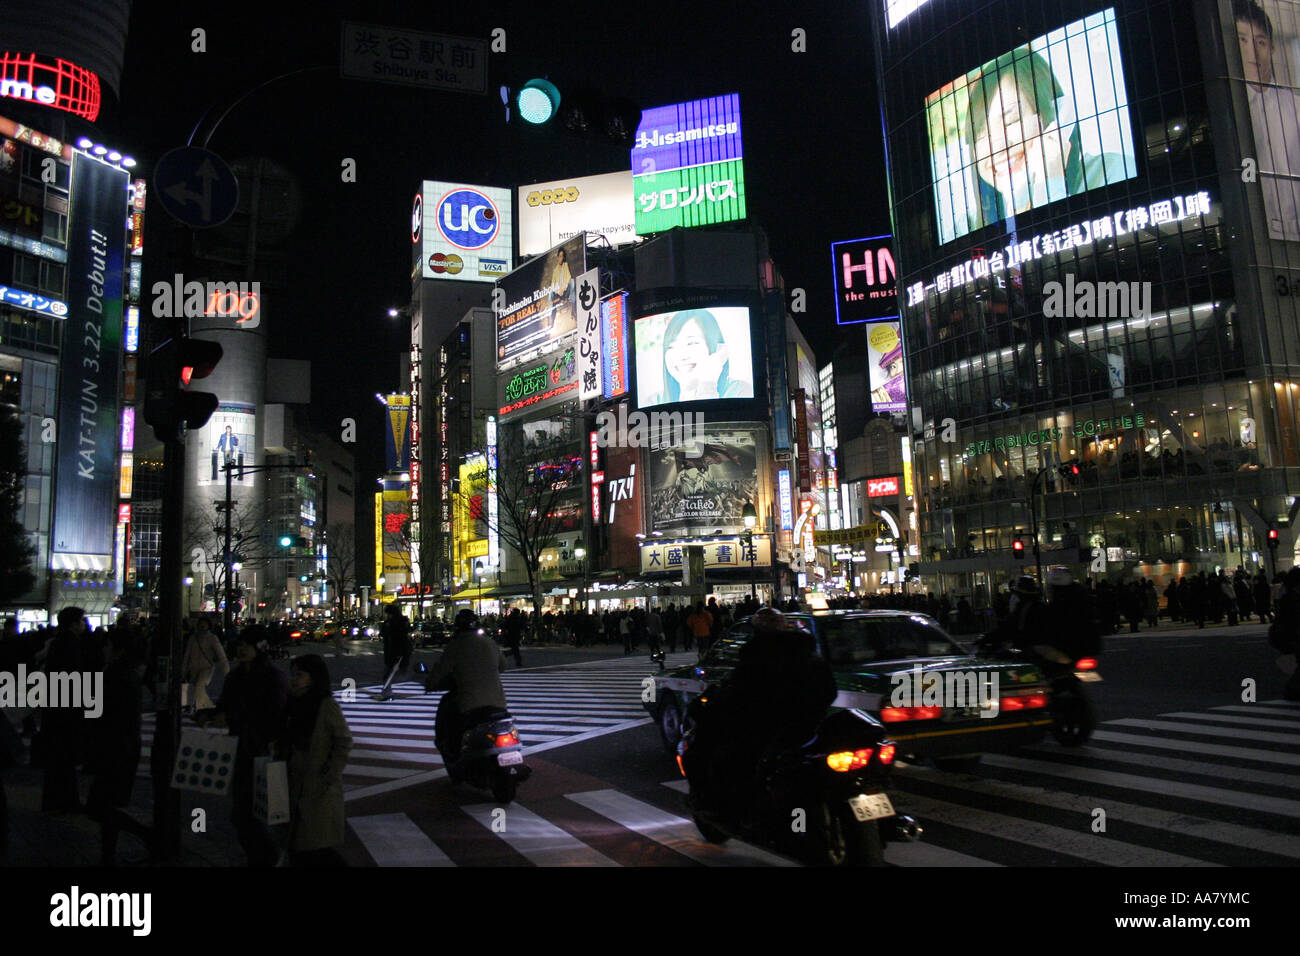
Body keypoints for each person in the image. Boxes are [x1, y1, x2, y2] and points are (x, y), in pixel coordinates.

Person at [966, 46, 1129, 226]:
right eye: (980, 134)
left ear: (1054, 114)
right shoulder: (967, 225)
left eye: (1011, 121)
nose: (996, 148)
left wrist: (1050, 184)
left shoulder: (1114, 172)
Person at [199, 626, 288, 867]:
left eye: (247, 645)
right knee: (243, 812)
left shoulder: (271, 676)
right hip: (239, 747)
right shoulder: (236, 677)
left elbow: (275, 716)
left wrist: (233, 718)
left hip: (260, 750)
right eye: (240, 644)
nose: (241, 649)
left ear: (260, 647)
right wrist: (207, 716)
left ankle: (266, 856)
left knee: (250, 811)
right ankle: (261, 856)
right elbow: (224, 705)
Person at [1236, 0, 1300, 241]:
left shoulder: (1296, 107)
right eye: (1243, 40)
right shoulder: (1233, 109)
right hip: (1255, 234)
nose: (1252, 53)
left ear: (1272, 47)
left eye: (1260, 42)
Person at [85, 628, 150, 866]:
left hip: (115, 747)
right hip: (121, 746)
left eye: (108, 645)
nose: (104, 649)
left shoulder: (117, 675)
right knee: (105, 805)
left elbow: (110, 715)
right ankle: (109, 855)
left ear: (118, 650)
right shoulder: (125, 674)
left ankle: (146, 836)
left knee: (100, 806)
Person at [283, 654, 352, 866]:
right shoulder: (293, 702)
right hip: (295, 780)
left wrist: (329, 775)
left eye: (300, 675)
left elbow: (343, 741)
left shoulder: (325, 705)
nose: (294, 679)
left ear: (314, 678)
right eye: (293, 674)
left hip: (317, 784)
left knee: (313, 847)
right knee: (302, 845)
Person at [424, 610, 508, 763]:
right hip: (498, 703)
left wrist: (431, 684)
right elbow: (503, 666)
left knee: (452, 729)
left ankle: (455, 756)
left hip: (470, 704)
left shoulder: (456, 646)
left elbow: (440, 671)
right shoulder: (489, 642)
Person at [40, 607, 101, 812]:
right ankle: (64, 802)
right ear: (73, 624)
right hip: (65, 709)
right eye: (82, 620)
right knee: (64, 757)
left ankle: (58, 800)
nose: (84, 624)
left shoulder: (61, 641)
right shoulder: (71, 644)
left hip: (57, 707)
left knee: (58, 758)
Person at [655, 309, 752, 405]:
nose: (681, 356)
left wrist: (707, 383)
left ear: (715, 348)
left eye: (691, 343)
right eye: (671, 346)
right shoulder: (654, 401)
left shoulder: (741, 392)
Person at [181, 616, 228, 712]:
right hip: (193, 668)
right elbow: (187, 654)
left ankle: (201, 710)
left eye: (205, 624)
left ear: (209, 625)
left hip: (206, 667)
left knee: (199, 687)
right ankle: (207, 708)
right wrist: (184, 669)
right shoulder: (193, 638)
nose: (203, 625)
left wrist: (226, 669)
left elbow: (221, 654)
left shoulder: (212, 638)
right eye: (201, 623)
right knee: (197, 689)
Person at [375, 603, 413, 701]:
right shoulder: (402, 622)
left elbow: (385, 635)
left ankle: (387, 692)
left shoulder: (390, 624)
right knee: (394, 672)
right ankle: (387, 691)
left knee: (389, 673)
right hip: (400, 651)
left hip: (393, 651)